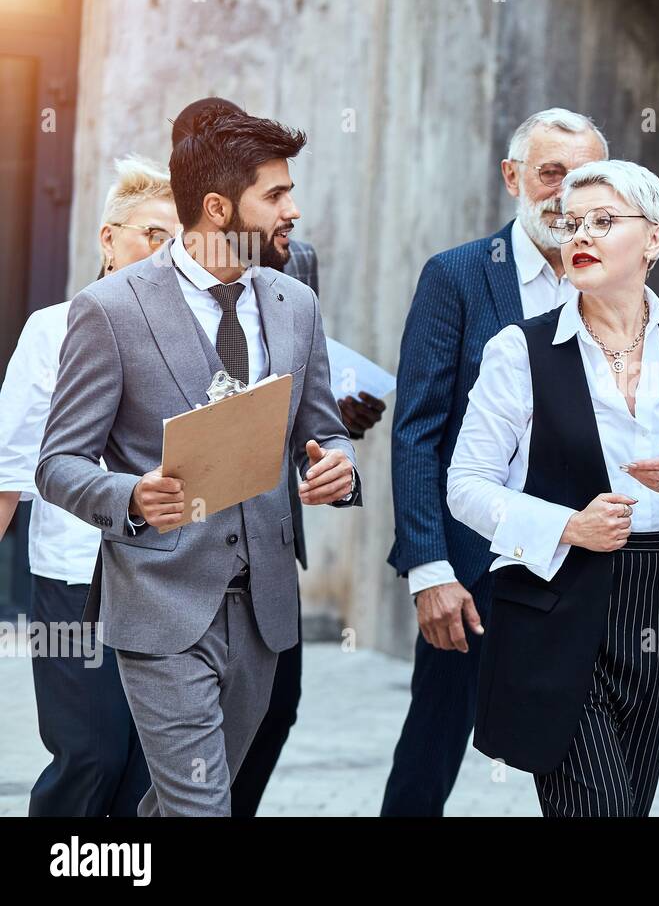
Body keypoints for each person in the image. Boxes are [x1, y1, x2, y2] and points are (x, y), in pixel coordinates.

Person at [35, 107, 362, 816]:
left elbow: (325, 431)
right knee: (200, 810)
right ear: (217, 208)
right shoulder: (110, 309)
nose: (293, 209)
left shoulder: (296, 305)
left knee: (184, 805)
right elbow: (57, 463)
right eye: (275, 196)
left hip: (265, 613)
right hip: (162, 603)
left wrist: (337, 466)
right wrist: (128, 495)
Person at [447, 159, 659, 816]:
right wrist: (567, 525)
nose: (579, 235)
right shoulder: (522, 351)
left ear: (654, 238)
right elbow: (466, 485)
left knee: (628, 806)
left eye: (603, 221)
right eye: (571, 223)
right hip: (557, 605)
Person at [161, 97, 384, 817]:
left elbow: (301, 387)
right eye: (277, 192)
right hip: (171, 549)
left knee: (270, 713)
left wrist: (335, 436)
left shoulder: (296, 268)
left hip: (265, 541)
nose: (292, 210)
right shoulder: (153, 263)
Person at [383, 108, 607, 816]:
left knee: (582, 754)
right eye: (551, 175)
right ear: (513, 177)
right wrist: (429, 570)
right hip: (473, 570)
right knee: (433, 746)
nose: (568, 197)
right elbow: (417, 430)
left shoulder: (613, 284)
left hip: (578, 565)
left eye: (586, 180)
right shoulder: (458, 277)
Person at [0, 155, 176, 816]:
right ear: (109, 239)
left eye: (178, 242)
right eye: (150, 236)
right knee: (90, 755)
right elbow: (6, 470)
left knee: (146, 771)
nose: (164, 255)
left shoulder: (193, 341)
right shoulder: (52, 331)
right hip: (77, 581)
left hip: (167, 578)